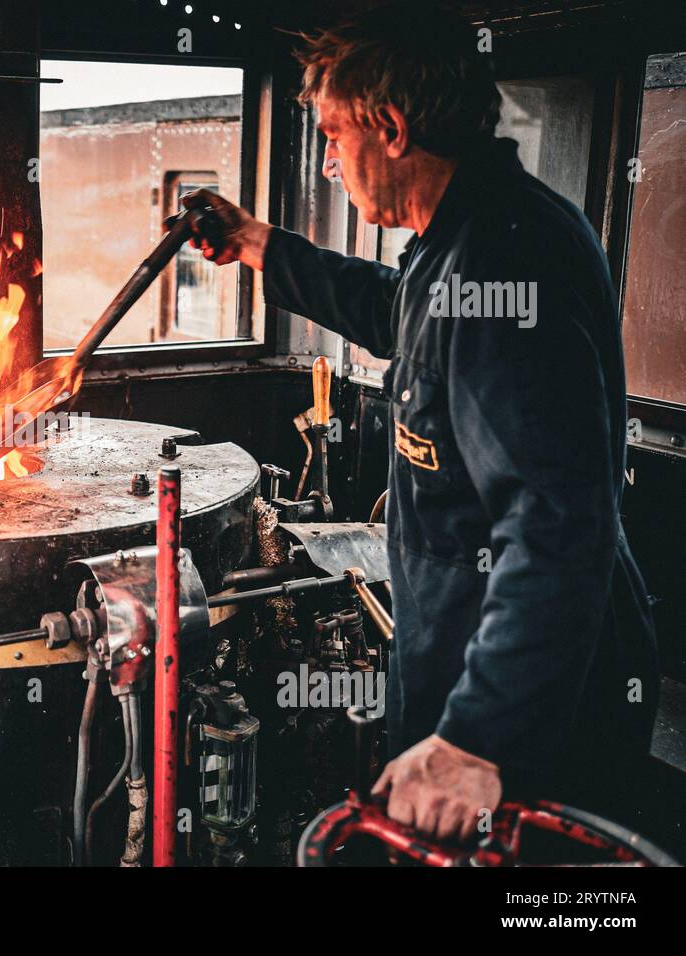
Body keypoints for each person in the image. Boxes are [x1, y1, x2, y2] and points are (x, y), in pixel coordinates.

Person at [185, 2, 657, 841]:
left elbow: (555, 524)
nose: (328, 162)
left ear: (392, 128)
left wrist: (478, 734)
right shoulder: (478, 234)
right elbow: (397, 308)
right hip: (484, 660)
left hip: (525, 706)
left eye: (333, 136)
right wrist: (261, 246)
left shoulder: (500, 267)